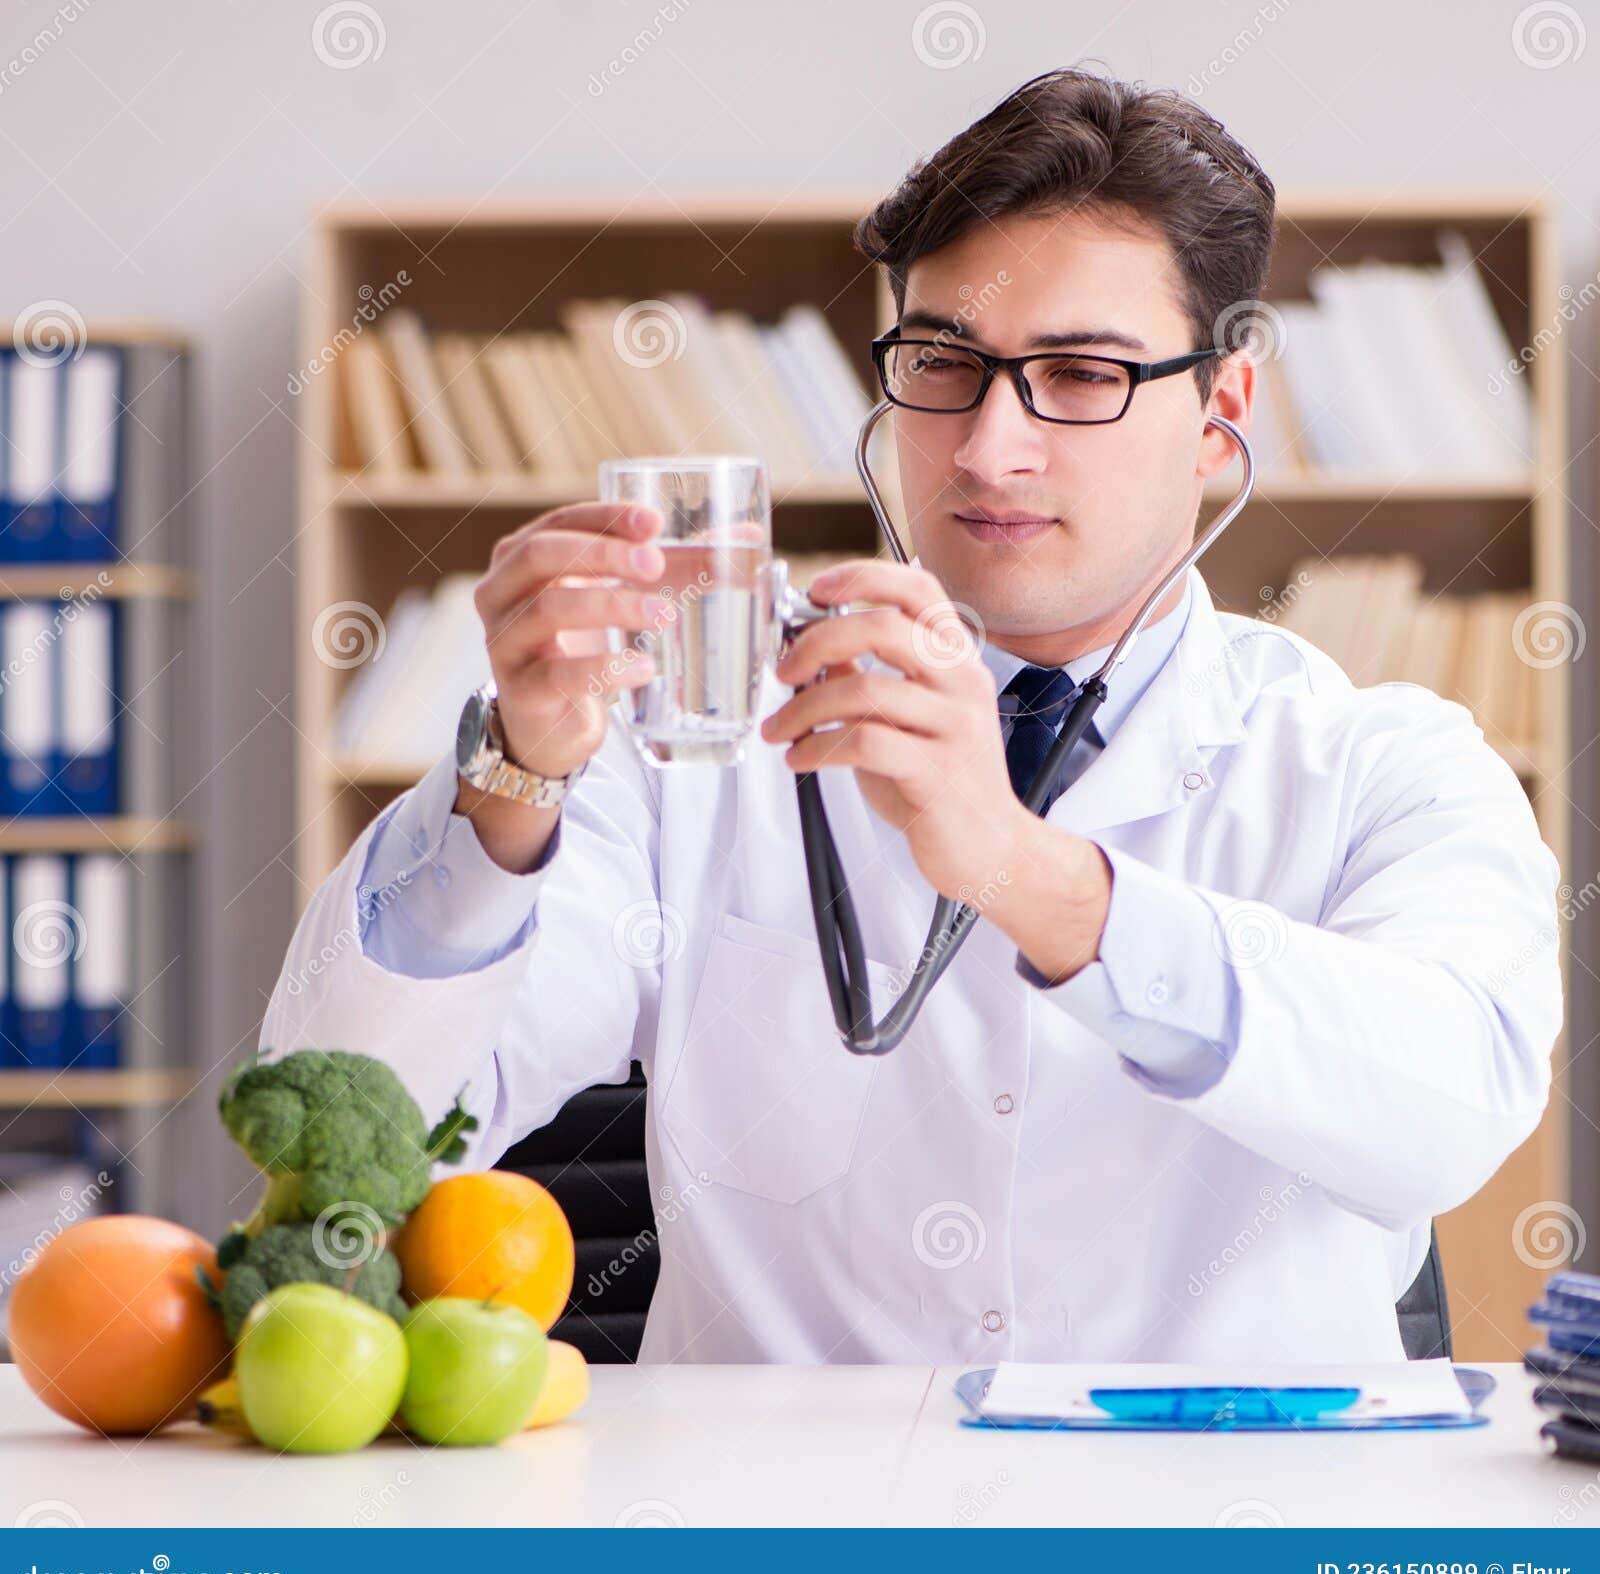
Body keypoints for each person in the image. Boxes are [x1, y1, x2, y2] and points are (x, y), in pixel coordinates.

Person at [263, 67, 1563, 1365]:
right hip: (783, 1547)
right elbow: (355, 1121)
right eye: (944, 362)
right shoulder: (687, 735)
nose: (992, 447)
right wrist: (511, 777)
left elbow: (1445, 1110)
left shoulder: (1383, 764)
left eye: (1080, 372)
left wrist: (1024, 869)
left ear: (1222, 420)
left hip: (1214, 1542)